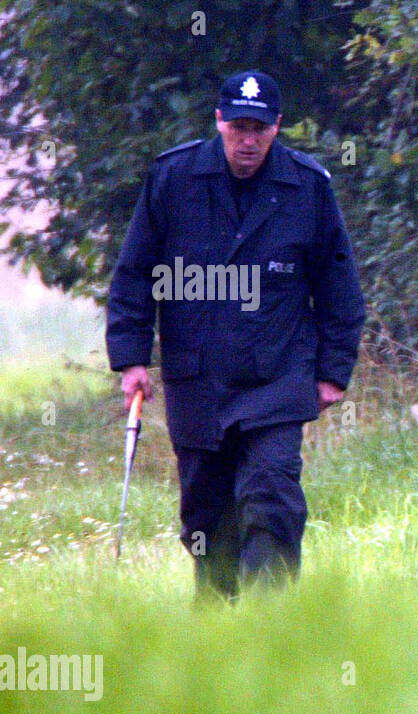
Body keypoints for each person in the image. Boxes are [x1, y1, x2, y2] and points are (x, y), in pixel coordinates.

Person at [106, 70, 366, 599]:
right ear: (219, 121)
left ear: (277, 129)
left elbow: (339, 284)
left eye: (260, 129)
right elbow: (134, 274)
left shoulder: (307, 186)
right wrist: (132, 359)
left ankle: (269, 620)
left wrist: (334, 371)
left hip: (278, 376)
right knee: (206, 517)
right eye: (239, 127)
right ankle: (217, 626)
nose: (248, 141)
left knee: (271, 494)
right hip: (196, 377)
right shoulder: (173, 178)